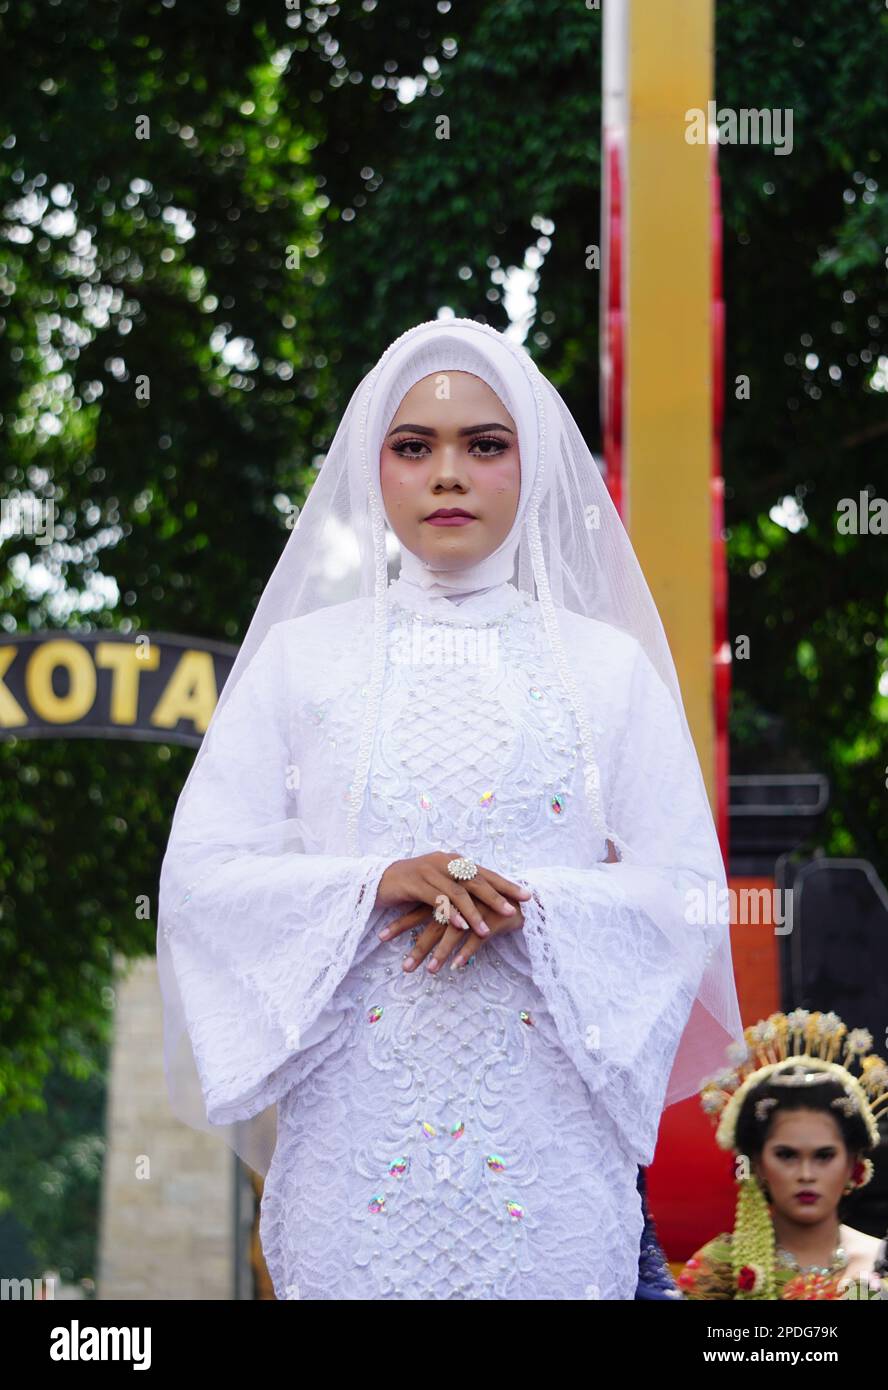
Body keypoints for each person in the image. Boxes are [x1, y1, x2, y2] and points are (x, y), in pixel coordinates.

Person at [157, 317, 743, 1300]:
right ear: (371, 466)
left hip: (548, 1158)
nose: (448, 475)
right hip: (353, 1152)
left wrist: (525, 902)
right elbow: (203, 879)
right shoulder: (302, 662)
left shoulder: (605, 669)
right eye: (414, 446)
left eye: (484, 444)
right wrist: (377, 882)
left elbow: (686, 891)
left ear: (534, 463)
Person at [678, 1008, 888, 1300]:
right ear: (758, 1163)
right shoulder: (719, 1269)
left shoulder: (880, 1264)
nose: (806, 1174)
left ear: (853, 1163)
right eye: (787, 1156)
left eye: (824, 1156)